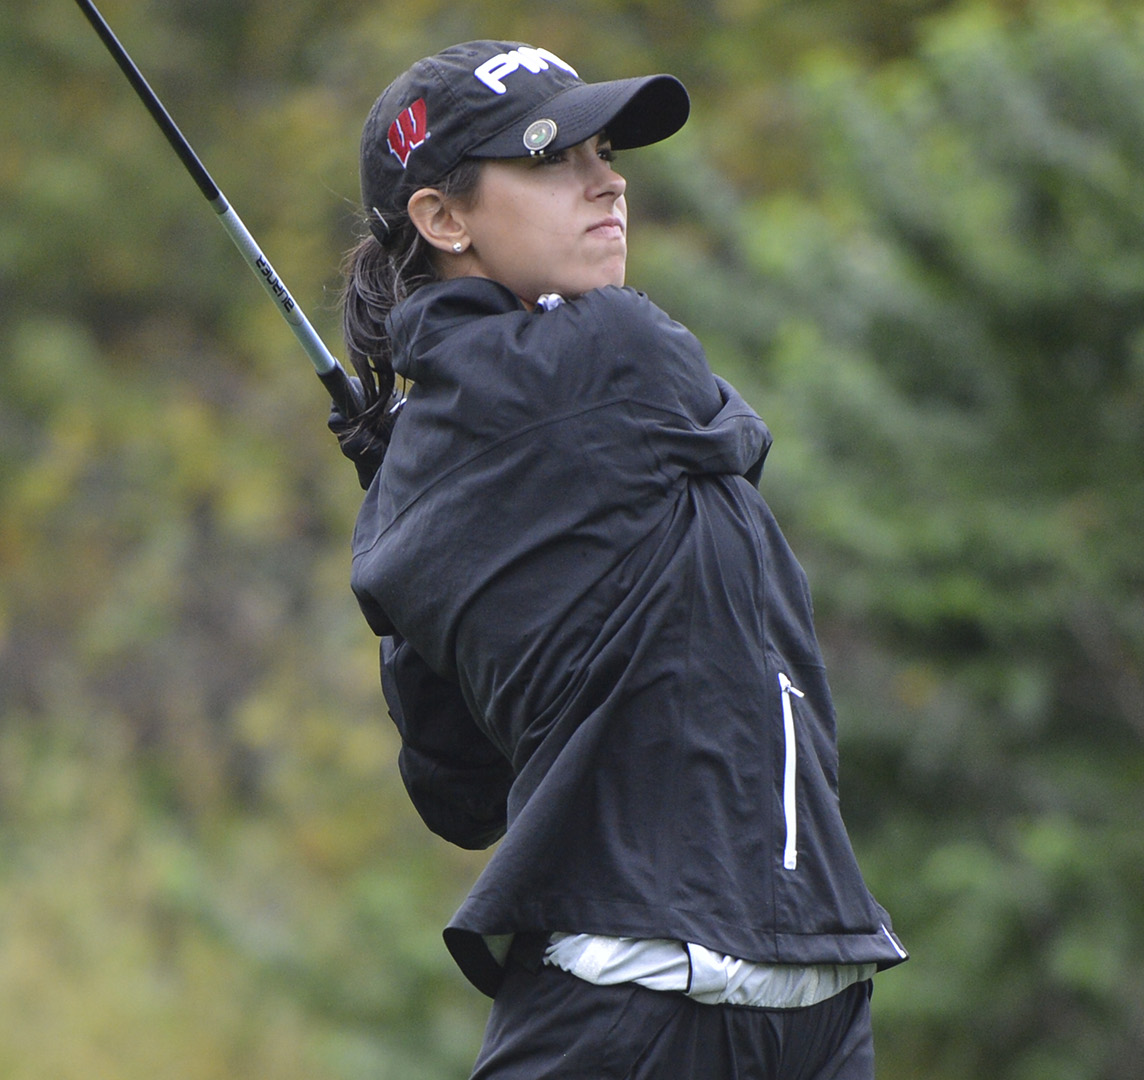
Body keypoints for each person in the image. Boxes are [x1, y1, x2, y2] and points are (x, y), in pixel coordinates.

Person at [332, 40, 907, 1080]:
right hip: (646, 1002)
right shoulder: (617, 349)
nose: (608, 181)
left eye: (604, 152)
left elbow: (456, 788)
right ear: (444, 219)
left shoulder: (428, 481)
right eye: (551, 157)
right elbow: (733, 430)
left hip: (802, 997)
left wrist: (428, 489)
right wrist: (450, 481)